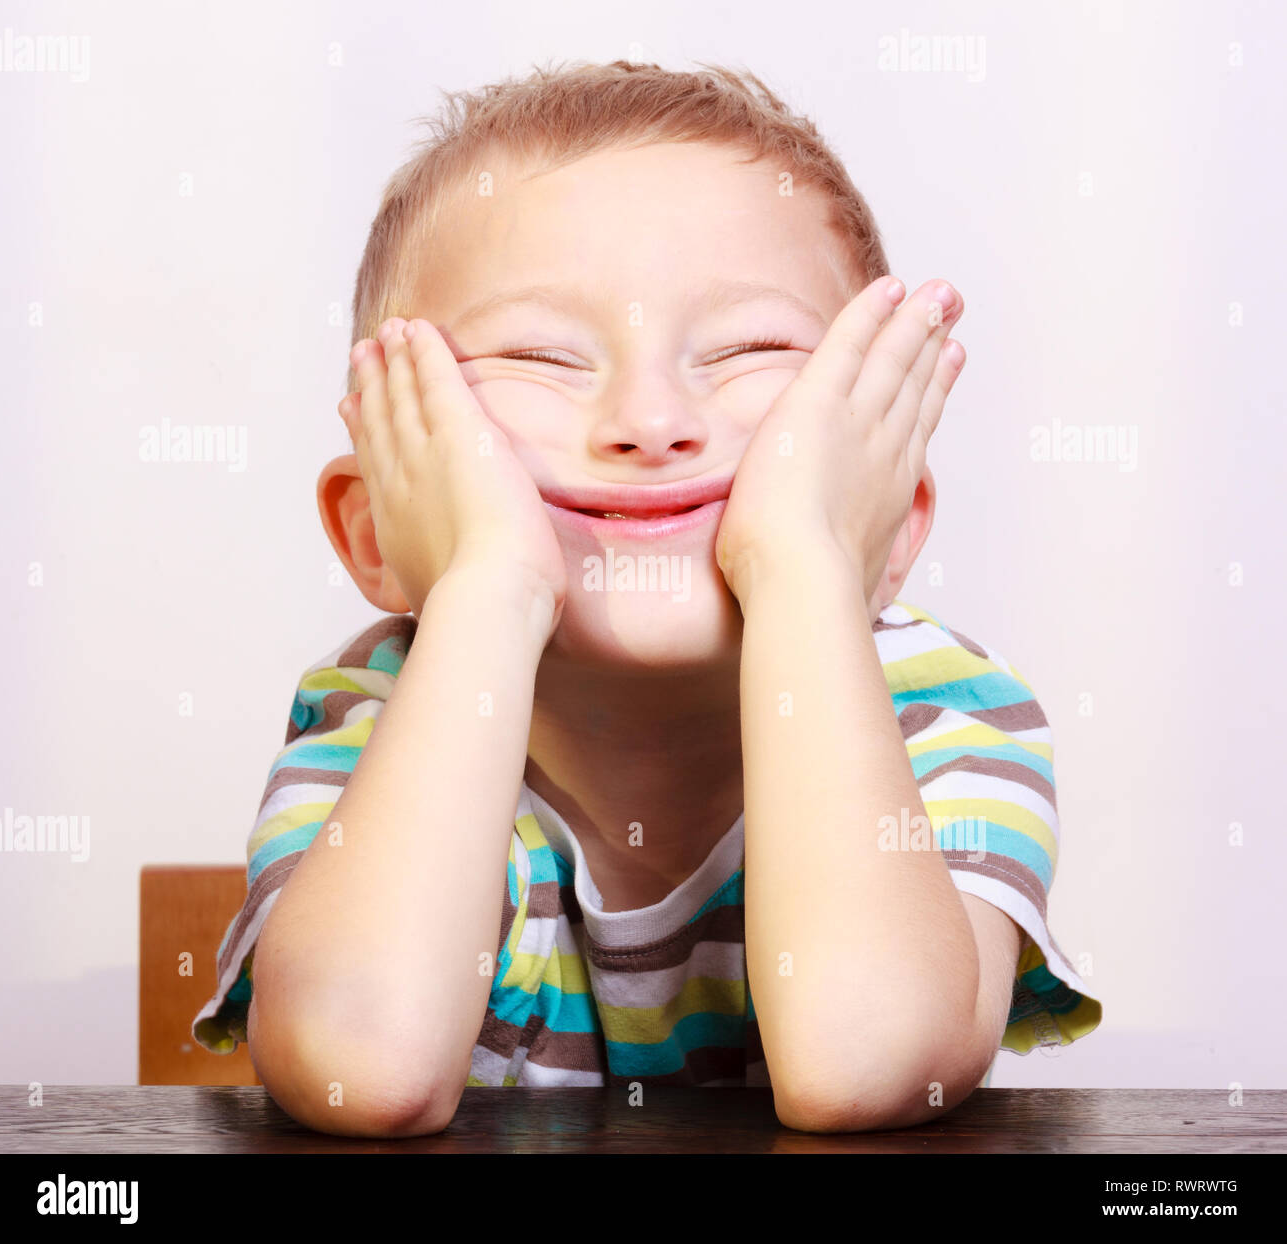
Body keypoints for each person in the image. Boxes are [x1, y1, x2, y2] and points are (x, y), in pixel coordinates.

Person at [193, 60, 1101, 1137]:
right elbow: (363, 1068)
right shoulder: (377, 724)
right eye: (539, 354)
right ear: (373, 527)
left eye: (753, 347)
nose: (649, 415)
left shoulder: (945, 719)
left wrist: (804, 560)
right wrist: (487, 581)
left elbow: (868, 1060)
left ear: (889, 517)